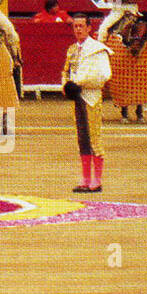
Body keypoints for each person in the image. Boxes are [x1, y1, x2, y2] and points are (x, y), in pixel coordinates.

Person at [61, 15, 112, 193]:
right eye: (75, 26)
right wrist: (66, 87)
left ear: (89, 28)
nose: (78, 29)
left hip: (91, 96)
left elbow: (104, 75)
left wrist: (80, 83)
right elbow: (66, 72)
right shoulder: (72, 50)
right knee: (82, 138)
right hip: (77, 97)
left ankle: (96, 181)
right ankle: (85, 179)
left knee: (94, 138)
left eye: (81, 26)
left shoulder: (98, 49)